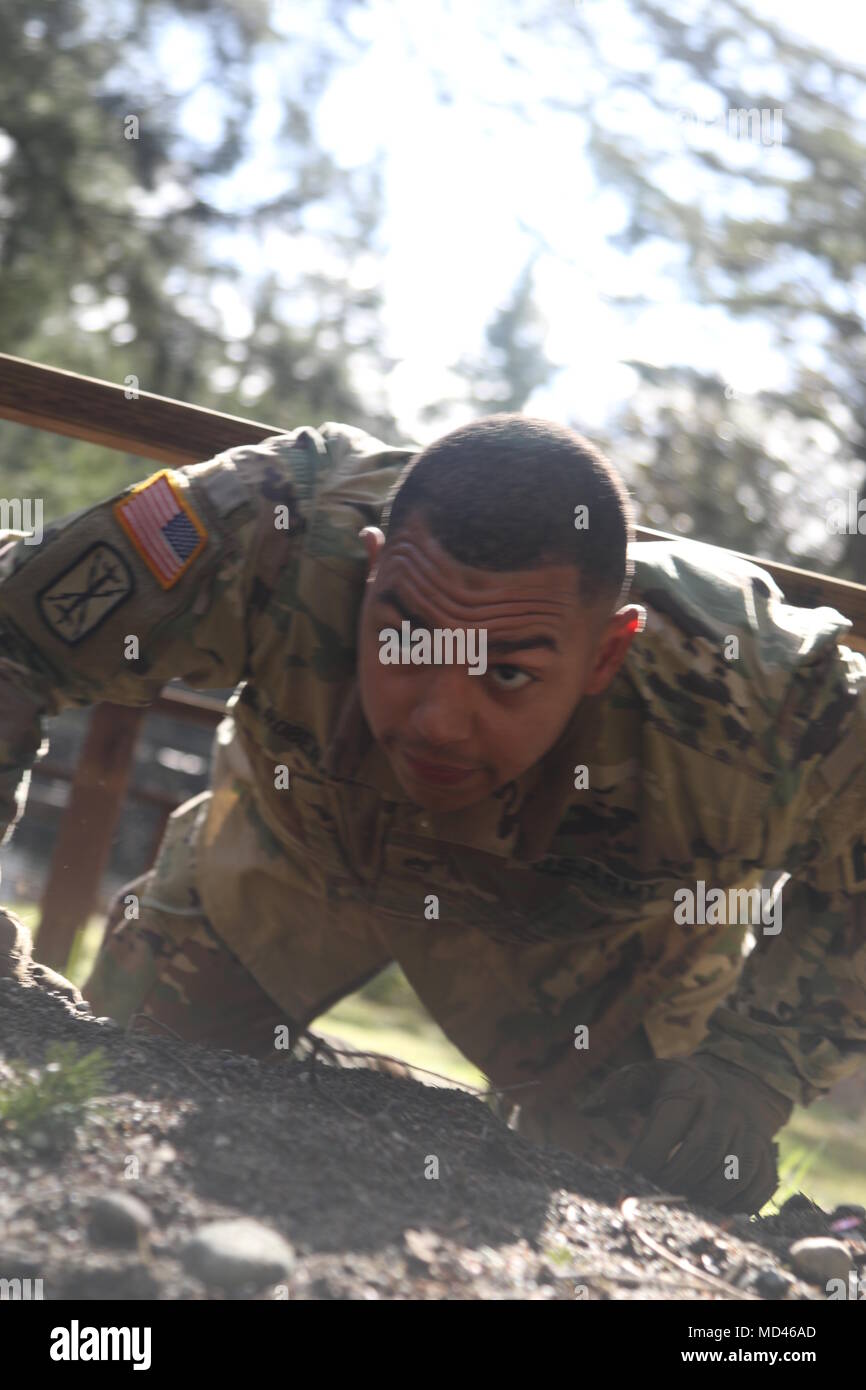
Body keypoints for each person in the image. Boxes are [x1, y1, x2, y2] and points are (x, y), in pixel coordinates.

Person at [1, 413, 864, 1214]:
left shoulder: (766, 694)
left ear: (608, 652)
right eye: (406, 640)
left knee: (651, 1188)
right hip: (285, 859)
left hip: (609, 961)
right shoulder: (275, 524)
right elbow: (16, 628)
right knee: (100, 1102)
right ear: (370, 566)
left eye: (509, 672)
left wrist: (757, 1068)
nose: (438, 720)